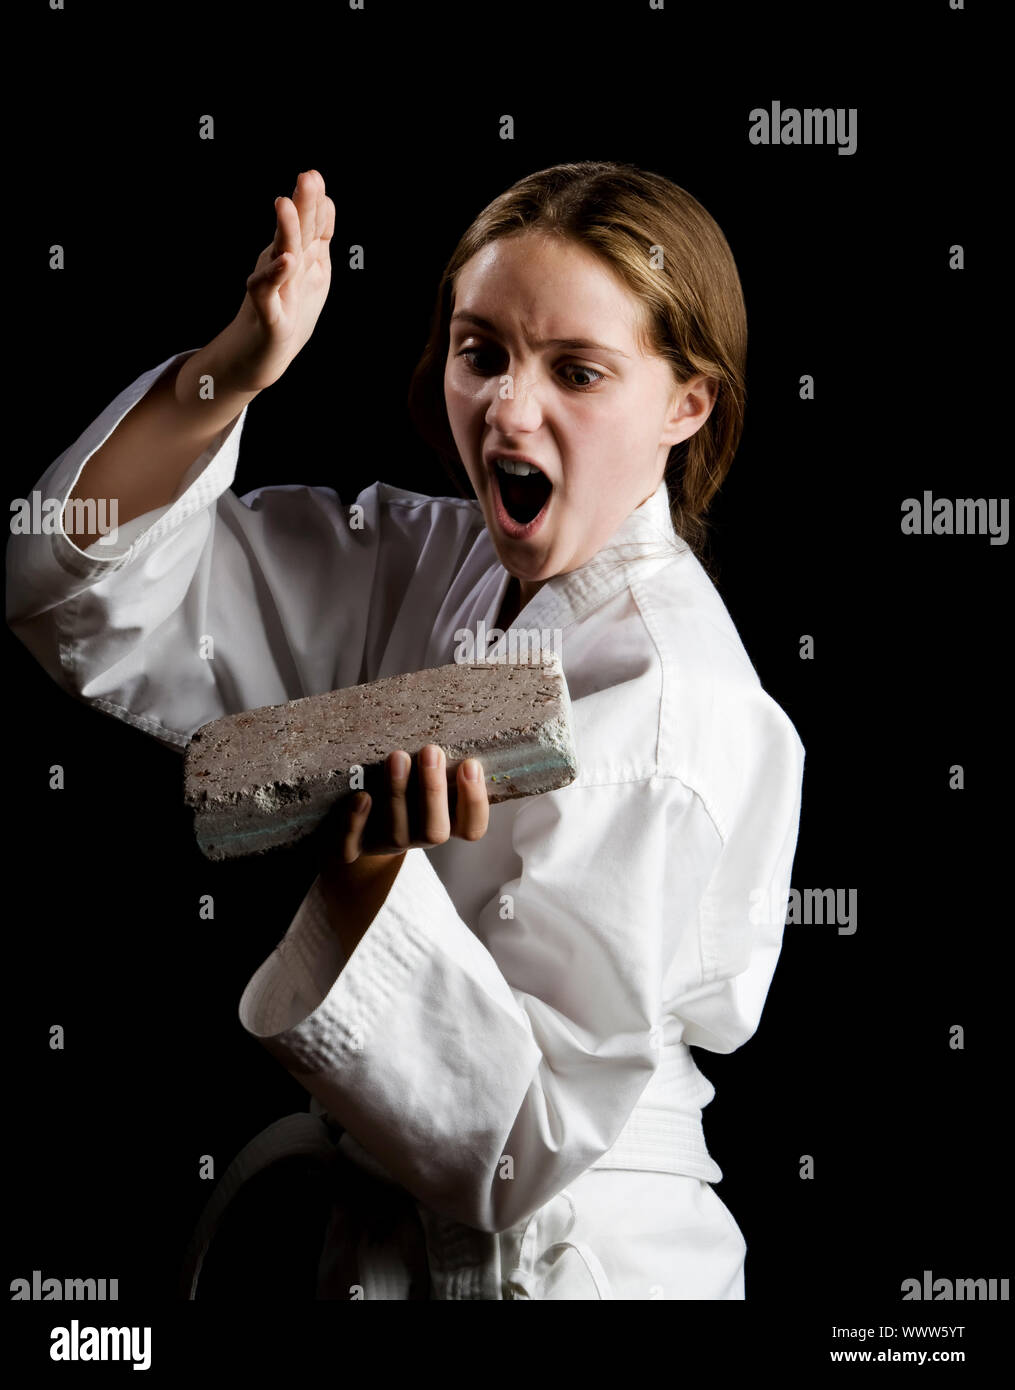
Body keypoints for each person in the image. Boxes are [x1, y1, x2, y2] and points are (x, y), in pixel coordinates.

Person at [7, 160, 806, 1300]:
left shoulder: (676, 703)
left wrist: (367, 880)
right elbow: (79, 588)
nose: (506, 409)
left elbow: (519, 1150)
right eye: (480, 354)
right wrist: (224, 381)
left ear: (688, 403)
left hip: (572, 1267)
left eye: (576, 371)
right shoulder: (426, 563)